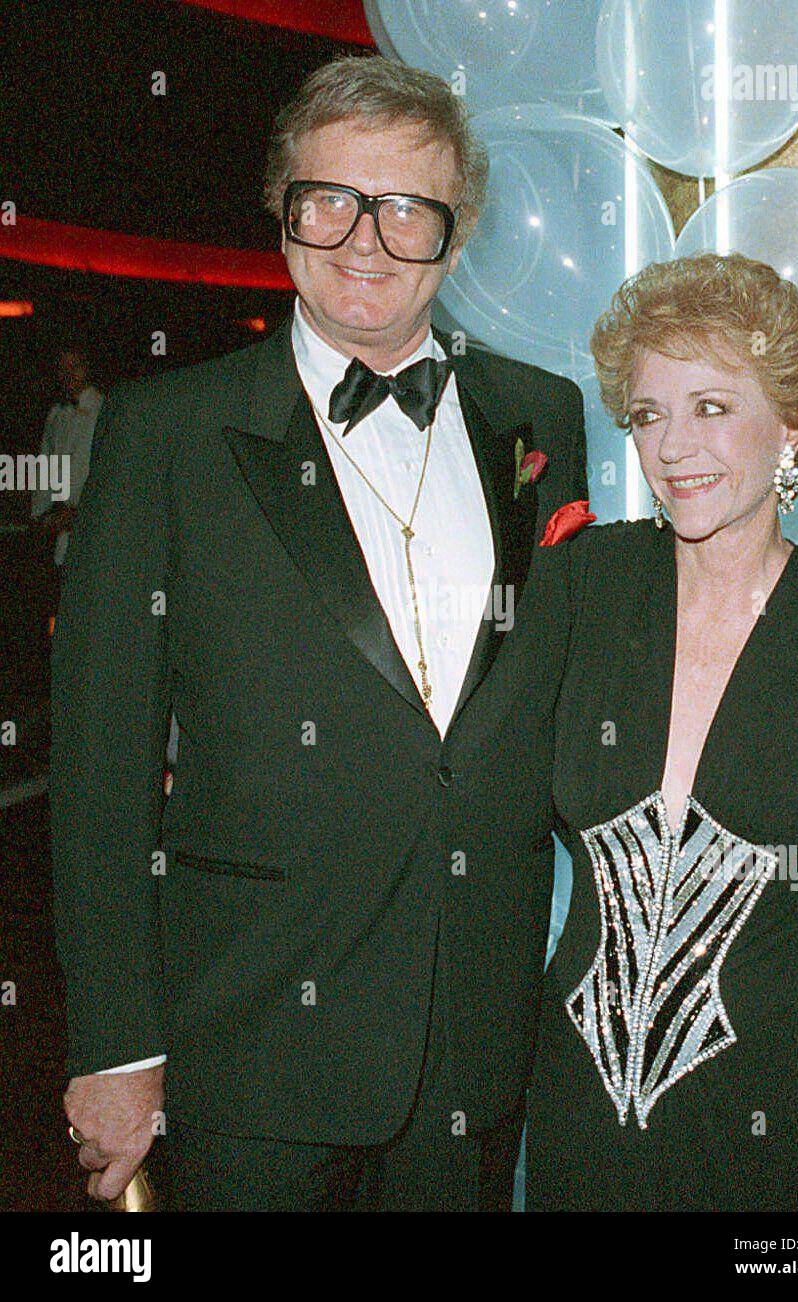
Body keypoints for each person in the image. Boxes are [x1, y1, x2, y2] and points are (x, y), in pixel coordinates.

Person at [51, 55, 587, 1211]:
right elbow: (101, 772)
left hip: (476, 1038)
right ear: (282, 207)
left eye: (406, 207)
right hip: (246, 1038)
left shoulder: (544, 418)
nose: (363, 239)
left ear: (460, 231)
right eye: (328, 199)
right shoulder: (166, 434)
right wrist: (114, 1045)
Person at [525, 252, 798, 1211]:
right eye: (650, 414)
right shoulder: (586, 583)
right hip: (579, 1100)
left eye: (710, 407)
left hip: (787, 1098)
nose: (671, 446)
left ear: (795, 421)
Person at [31, 347, 102, 568]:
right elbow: (46, 468)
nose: (68, 374)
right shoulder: (56, 416)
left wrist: (80, 512)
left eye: (75, 367)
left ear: (87, 368)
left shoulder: (104, 409)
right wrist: (42, 516)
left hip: (94, 525)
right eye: (63, 369)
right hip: (60, 532)